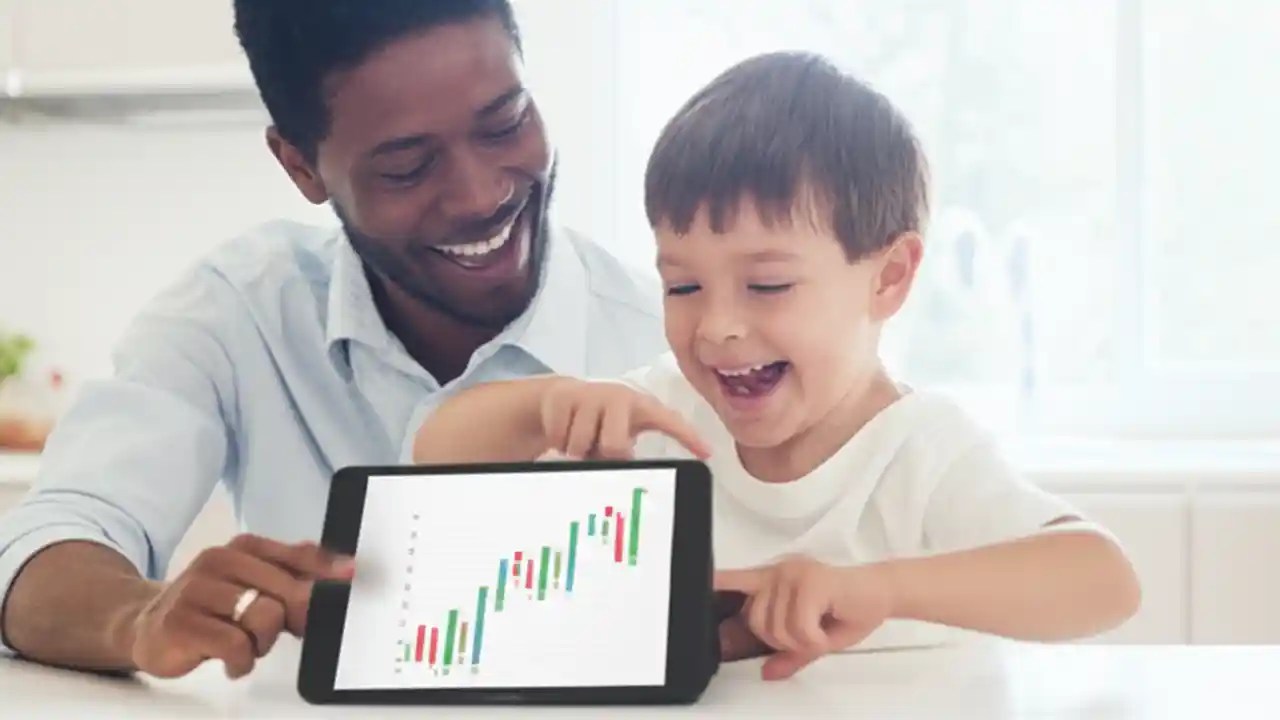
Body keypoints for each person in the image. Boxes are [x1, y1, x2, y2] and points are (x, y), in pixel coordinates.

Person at [412, 52, 1143, 680]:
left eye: (768, 286)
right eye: (683, 287)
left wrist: (879, 590)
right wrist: (541, 407)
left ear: (887, 278)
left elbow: (1104, 581)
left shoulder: (920, 450)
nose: (719, 328)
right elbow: (435, 455)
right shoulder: (665, 416)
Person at [0, 0, 667, 679]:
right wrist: (134, 618)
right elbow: (45, 547)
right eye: (407, 167)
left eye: (505, 123)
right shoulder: (242, 312)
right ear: (301, 167)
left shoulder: (671, 342)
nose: (476, 194)